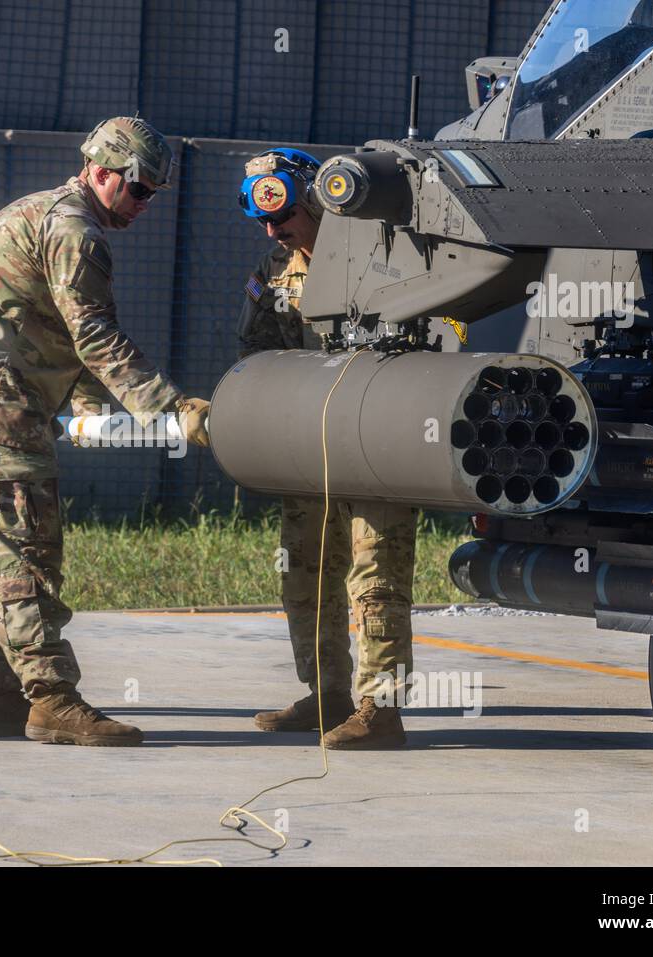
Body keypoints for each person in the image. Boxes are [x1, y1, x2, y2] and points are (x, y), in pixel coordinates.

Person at [0, 116, 211, 746]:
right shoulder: (75, 230)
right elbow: (94, 334)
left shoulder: (46, 210)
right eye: (140, 189)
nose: (146, 204)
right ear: (101, 172)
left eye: (153, 193)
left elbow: (61, 329)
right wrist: (173, 410)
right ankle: (51, 698)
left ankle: (0, 696)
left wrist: (90, 400)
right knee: (26, 547)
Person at [236, 148, 417, 749]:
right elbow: (256, 355)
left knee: (376, 572)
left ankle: (380, 709)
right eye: (265, 220)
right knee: (306, 572)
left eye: (283, 214)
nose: (274, 230)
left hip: (373, 442)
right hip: (307, 448)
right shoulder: (276, 271)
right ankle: (327, 694)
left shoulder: (386, 260)